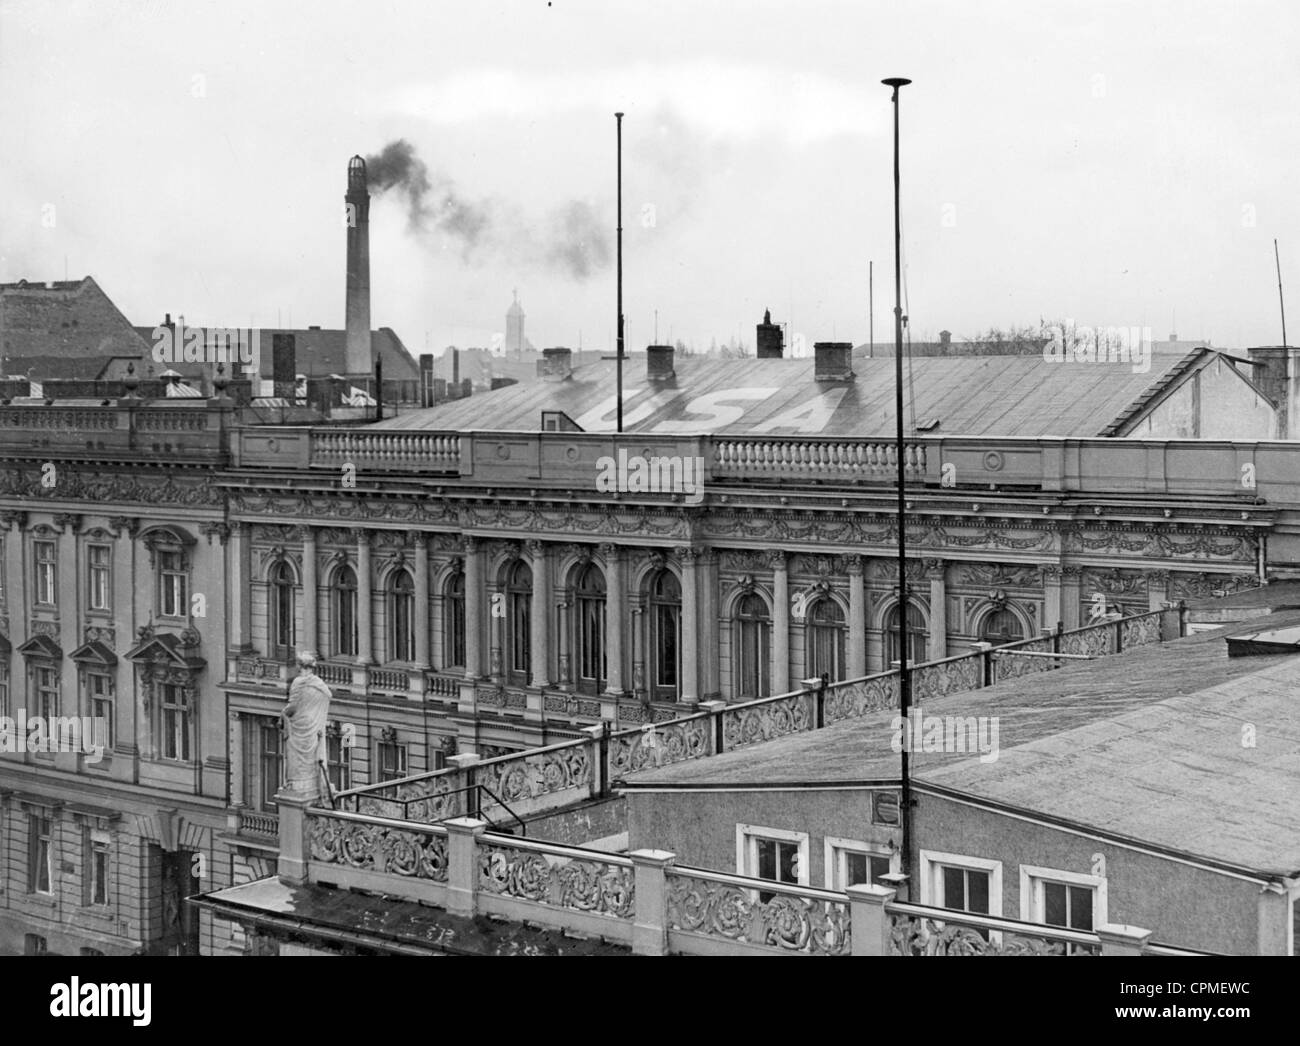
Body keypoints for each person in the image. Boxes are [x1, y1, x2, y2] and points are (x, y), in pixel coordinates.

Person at [282, 650, 332, 799]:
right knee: (312, 757)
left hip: (300, 727)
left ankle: (297, 785)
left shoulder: (298, 683)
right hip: (314, 726)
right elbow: (327, 697)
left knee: (296, 759)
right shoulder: (320, 684)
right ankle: (312, 784)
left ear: (299, 666)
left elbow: (292, 707)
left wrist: (283, 713)